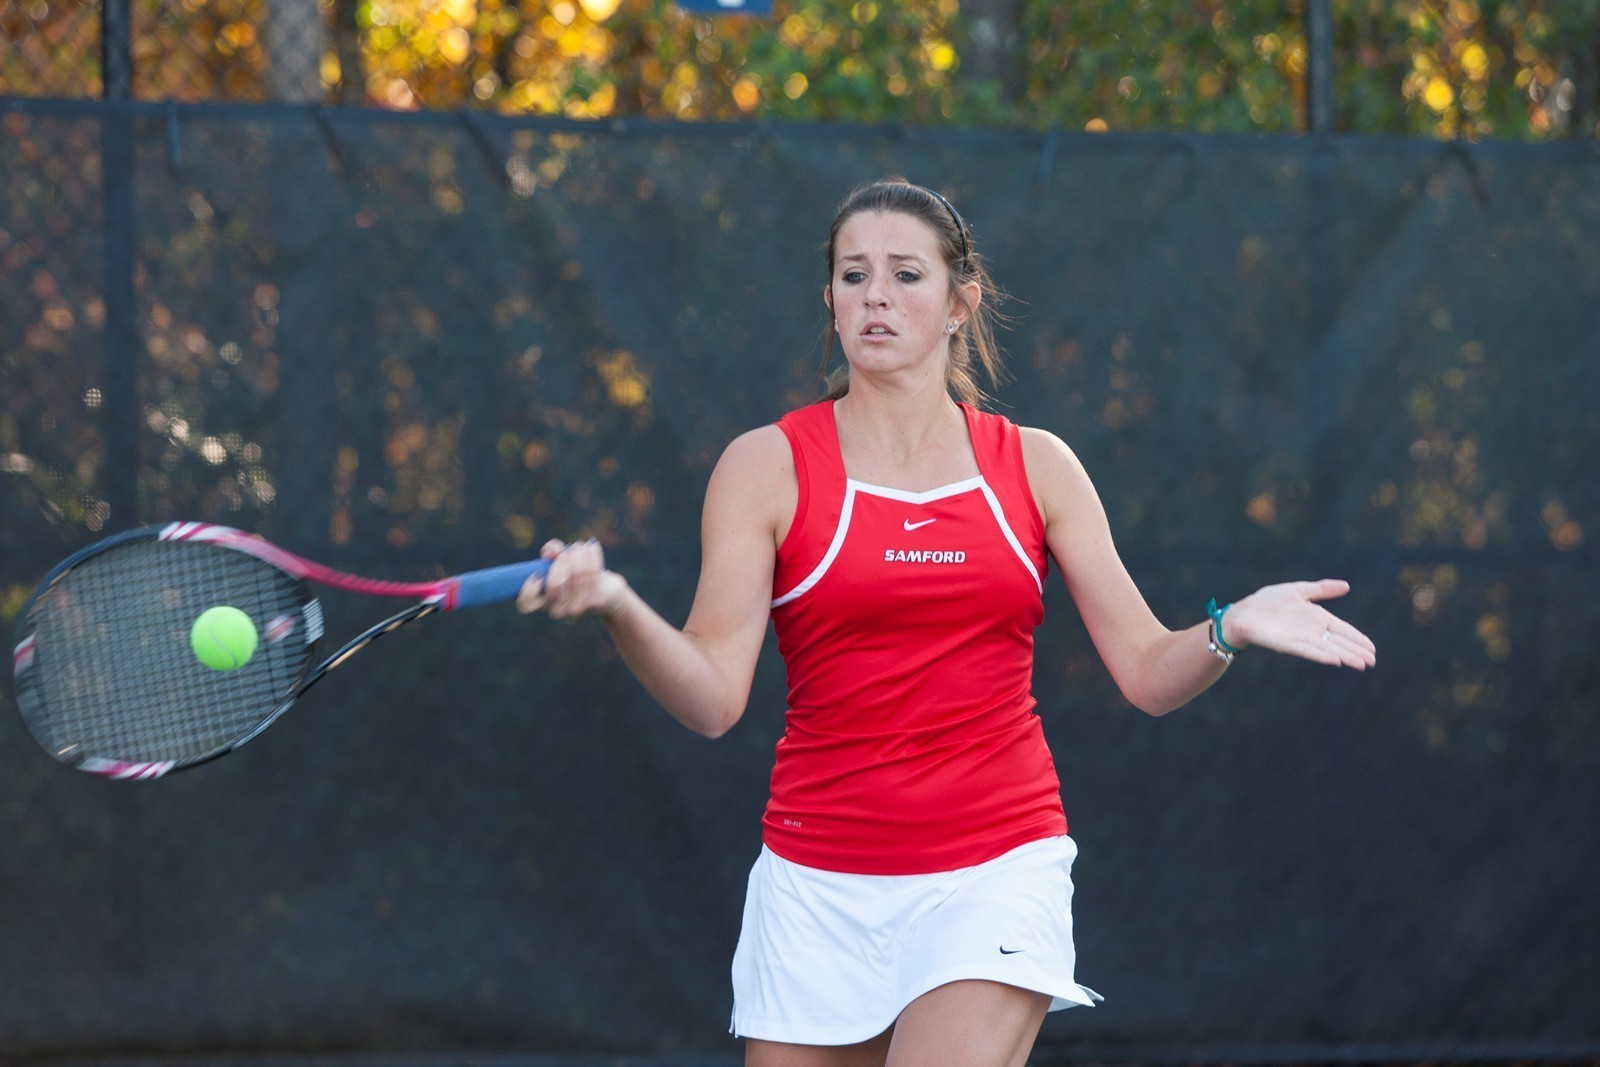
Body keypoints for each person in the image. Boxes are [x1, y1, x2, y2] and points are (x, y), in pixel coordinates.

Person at [516, 177, 1377, 1067]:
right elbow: (711, 699)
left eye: (904, 275)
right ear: (830, 301)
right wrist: (615, 604)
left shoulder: (1035, 467)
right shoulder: (766, 466)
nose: (876, 296)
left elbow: (1149, 672)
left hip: (994, 870)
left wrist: (1228, 626)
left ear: (961, 303)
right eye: (854, 276)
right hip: (816, 882)